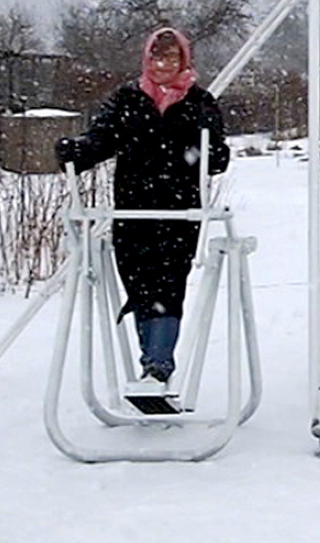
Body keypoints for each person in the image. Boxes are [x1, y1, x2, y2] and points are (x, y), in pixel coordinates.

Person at [55, 26, 231, 384]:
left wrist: (196, 153)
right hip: (132, 211)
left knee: (168, 287)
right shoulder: (128, 99)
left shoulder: (199, 101)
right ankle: (150, 365)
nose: (162, 64)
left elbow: (217, 157)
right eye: (156, 56)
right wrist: (76, 152)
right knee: (139, 287)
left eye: (171, 57)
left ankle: (158, 365)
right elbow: (102, 140)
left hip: (178, 212)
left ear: (183, 59)